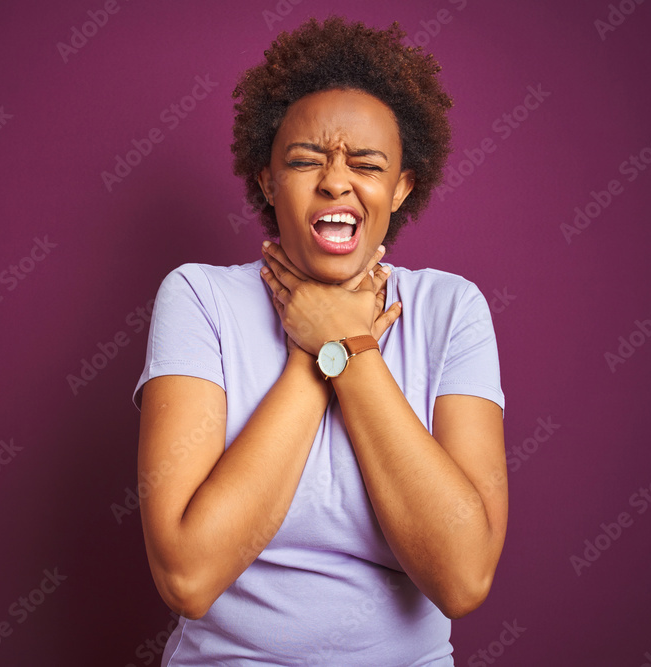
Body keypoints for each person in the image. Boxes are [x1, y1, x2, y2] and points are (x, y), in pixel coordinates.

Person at [131, 15, 507, 666]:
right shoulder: (199, 299)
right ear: (268, 181)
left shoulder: (452, 310)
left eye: (366, 164)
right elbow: (187, 578)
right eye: (306, 160)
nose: (336, 181)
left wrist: (349, 348)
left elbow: (463, 576)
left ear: (400, 186)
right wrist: (314, 352)